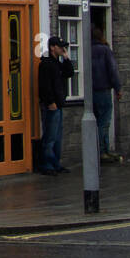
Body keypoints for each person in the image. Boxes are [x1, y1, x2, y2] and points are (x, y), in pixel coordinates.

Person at [37, 36, 74, 176]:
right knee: (50, 137)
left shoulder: (57, 64)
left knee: (57, 138)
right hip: (51, 105)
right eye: (60, 47)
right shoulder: (46, 64)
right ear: (52, 47)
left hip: (58, 104)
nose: (62, 49)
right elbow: (44, 86)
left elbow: (69, 73)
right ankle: (46, 165)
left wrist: (66, 57)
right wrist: (50, 102)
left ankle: (55, 164)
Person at [91, 25, 123, 164]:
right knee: (104, 123)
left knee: (95, 122)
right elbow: (113, 70)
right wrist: (118, 88)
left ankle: (98, 150)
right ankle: (102, 151)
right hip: (103, 90)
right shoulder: (105, 50)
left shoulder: (86, 50)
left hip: (90, 92)